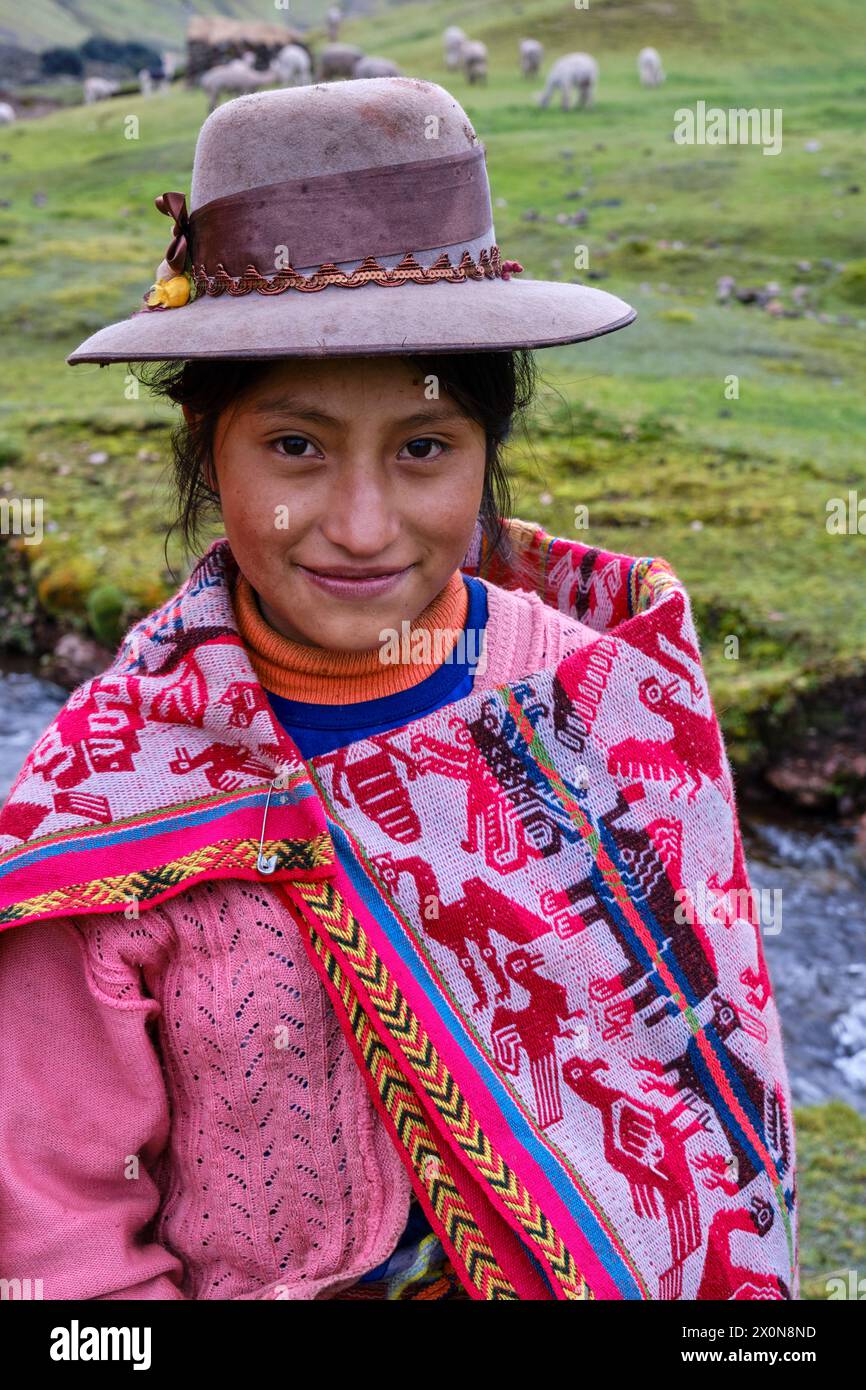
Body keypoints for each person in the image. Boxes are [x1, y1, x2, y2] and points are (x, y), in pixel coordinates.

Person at [0, 78, 797, 1301]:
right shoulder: (111, 792)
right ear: (206, 450)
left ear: (486, 450)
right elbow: (56, 1228)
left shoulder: (602, 704)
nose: (362, 528)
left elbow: (716, 1134)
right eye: (295, 447)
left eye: (423, 448)